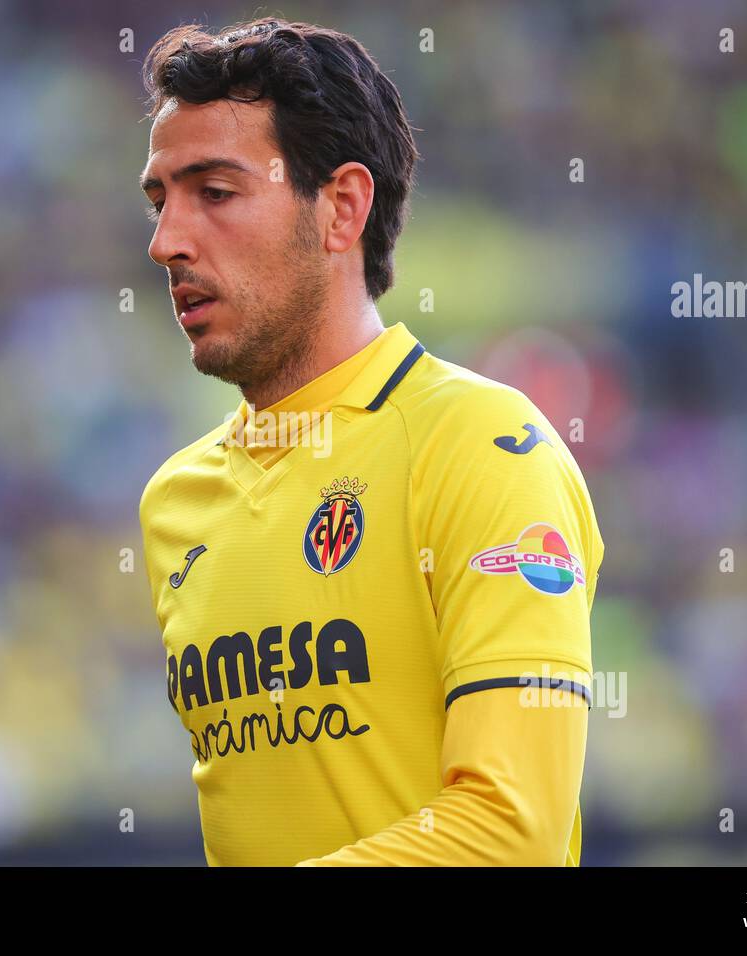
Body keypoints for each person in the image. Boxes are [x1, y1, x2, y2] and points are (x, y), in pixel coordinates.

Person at [136, 18, 604, 866]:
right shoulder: (176, 501)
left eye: (214, 192)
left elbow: (515, 830)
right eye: (160, 199)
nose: (166, 240)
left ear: (342, 207)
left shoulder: (482, 445)